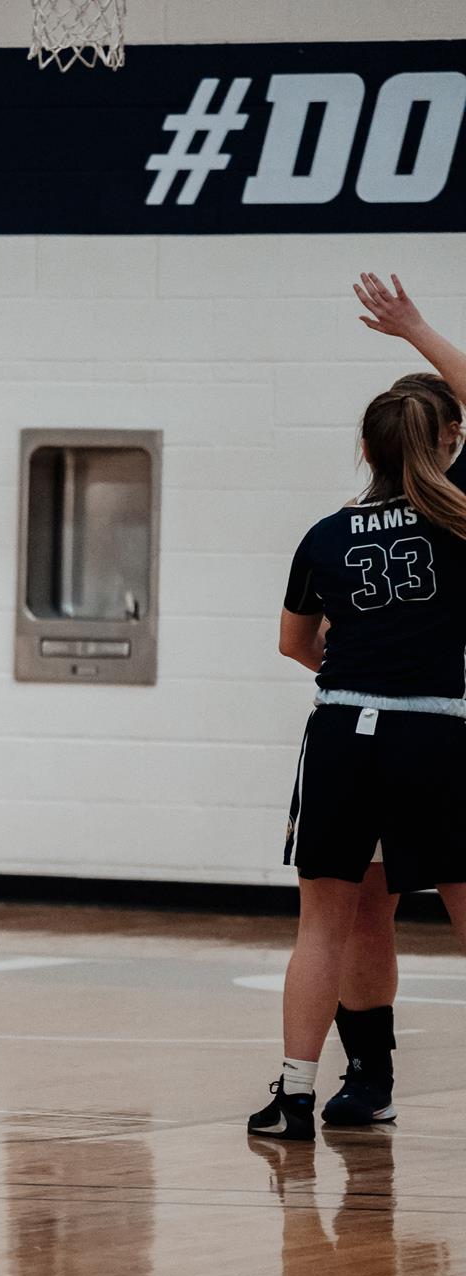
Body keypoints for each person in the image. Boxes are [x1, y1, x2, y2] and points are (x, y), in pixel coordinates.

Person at [254, 274, 466, 1141]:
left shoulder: (325, 532)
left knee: (330, 920)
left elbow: (293, 643)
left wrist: (347, 660)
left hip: (344, 728)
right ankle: (366, 1080)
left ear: (367, 449)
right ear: (446, 442)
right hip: (434, 730)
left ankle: (297, 1095)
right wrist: (416, 329)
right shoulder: (457, 518)